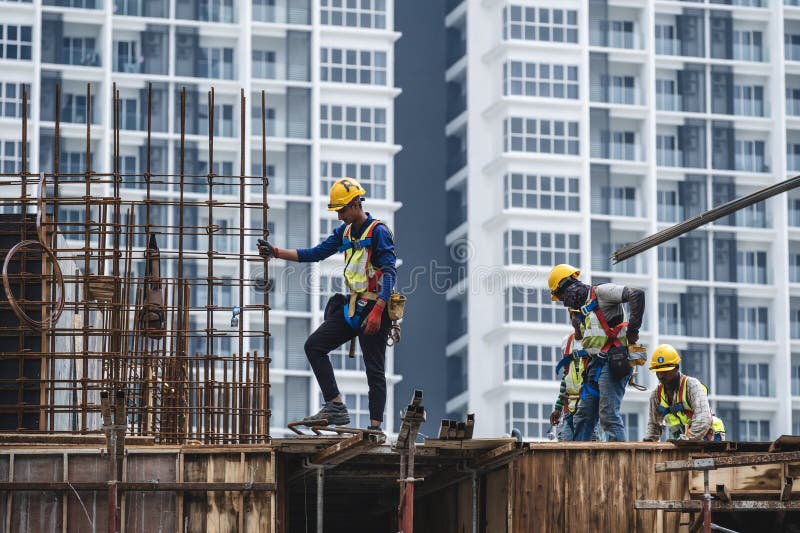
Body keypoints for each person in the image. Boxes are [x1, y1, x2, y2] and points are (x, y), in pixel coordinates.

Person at [257, 177, 396, 431]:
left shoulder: (378, 232)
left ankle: (375, 427)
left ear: (356, 203)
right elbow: (315, 253)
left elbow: (389, 272)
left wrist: (378, 311)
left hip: (376, 307)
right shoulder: (343, 233)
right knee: (314, 346)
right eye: (338, 211)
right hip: (355, 306)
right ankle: (335, 405)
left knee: (374, 369)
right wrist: (276, 252)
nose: (340, 215)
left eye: (343, 209)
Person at [548, 264, 645, 442]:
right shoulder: (582, 308)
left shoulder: (601, 293)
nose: (563, 302)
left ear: (566, 286)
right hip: (596, 365)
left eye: (561, 296)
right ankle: (579, 461)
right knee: (583, 416)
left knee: (608, 416)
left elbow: (636, 294)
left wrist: (633, 330)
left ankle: (620, 460)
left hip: (614, 361)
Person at [643, 344, 725, 442]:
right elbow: (654, 425)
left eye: (665, 371)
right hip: (683, 440)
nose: (660, 376)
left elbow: (703, 420)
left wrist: (685, 440)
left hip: (710, 437)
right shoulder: (656, 395)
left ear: (676, 368)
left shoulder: (691, 386)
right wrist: (648, 444)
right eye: (658, 371)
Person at [549, 333, 589, 441]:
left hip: (588, 409)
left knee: (589, 449)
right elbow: (566, 378)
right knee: (567, 448)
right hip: (569, 409)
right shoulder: (567, 342)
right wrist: (558, 407)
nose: (576, 319)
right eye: (574, 315)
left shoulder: (592, 339)